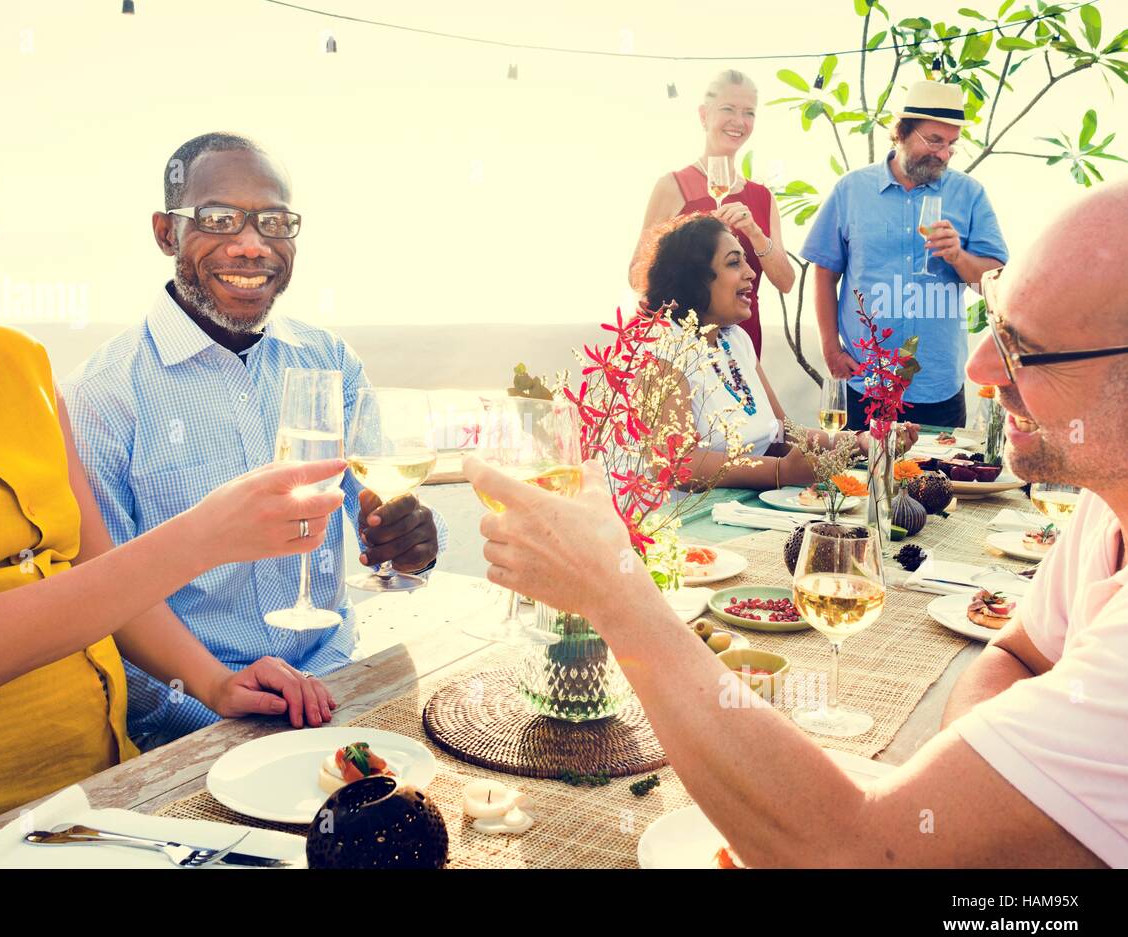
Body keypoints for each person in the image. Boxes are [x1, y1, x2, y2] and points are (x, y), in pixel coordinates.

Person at [464, 180, 1128, 867]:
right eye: (734, 262)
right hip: (696, 529)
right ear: (695, 276)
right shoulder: (1103, 511)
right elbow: (1018, 654)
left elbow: (850, 852)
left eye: (1024, 348)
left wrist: (611, 589)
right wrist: (990, 774)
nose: (977, 367)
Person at [0, 71, 341, 867]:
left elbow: (98, 570)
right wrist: (207, 535)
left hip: (103, 805)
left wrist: (212, 681)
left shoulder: (19, 364)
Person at [63, 133, 445, 749]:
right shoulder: (102, 396)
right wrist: (219, 695)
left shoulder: (328, 360)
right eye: (218, 219)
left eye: (274, 221)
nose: (251, 244)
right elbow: (105, 596)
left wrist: (407, 546)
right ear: (166, 233)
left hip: (338, 680)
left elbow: (380, 521)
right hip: (194, 722)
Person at [634, 213, 913, 490]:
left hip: (744, 508)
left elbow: (780, 433)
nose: (751, 272)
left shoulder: (735, 341)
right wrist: (781, 472)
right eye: (734, 262)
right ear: (694, 279)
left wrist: (863, 441)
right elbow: (676, 465)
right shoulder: (662, 349)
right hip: (686, 521)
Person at [801, 80, 1008, 431]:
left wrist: (957, 255)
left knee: (939, 484)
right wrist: (830, 350)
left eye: (952, 145)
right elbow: (824, 273)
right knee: (856, 485)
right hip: (863, 381)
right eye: (935, 140)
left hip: (938, 387)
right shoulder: (851, 189)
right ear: (901, 132)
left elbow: (995, 282)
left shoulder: (969, 194)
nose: (943, 154)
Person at [629, 69, 795, 359]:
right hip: (681, 347)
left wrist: (755, 233)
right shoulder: (672, 186)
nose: (739, 121)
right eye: (728, 109)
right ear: (704, 115)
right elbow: (636, 277)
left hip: (743, 343)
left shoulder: (762, 197)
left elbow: (786, 282)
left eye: (749, 112)